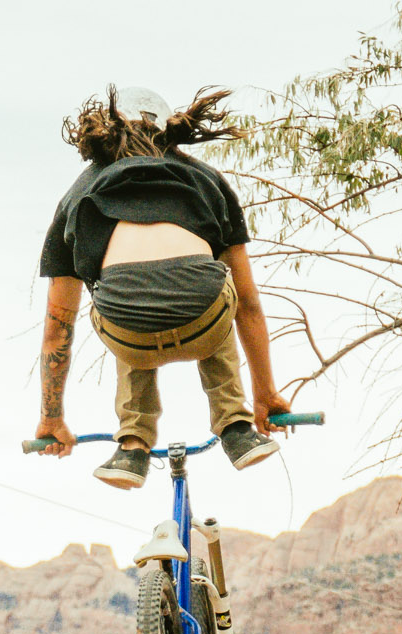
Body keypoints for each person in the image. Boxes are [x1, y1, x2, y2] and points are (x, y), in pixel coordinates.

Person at [30, 85, 292, 489]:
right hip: (205, 325)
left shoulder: (78, 194)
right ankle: (236, 428)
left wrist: (51, 419)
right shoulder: (203, 178)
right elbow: (249, 305)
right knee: (211, 282)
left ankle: (132, 446)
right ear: (166, 131)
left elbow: (56, 329)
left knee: (120, 293)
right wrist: (265, 395)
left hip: (129, 336)